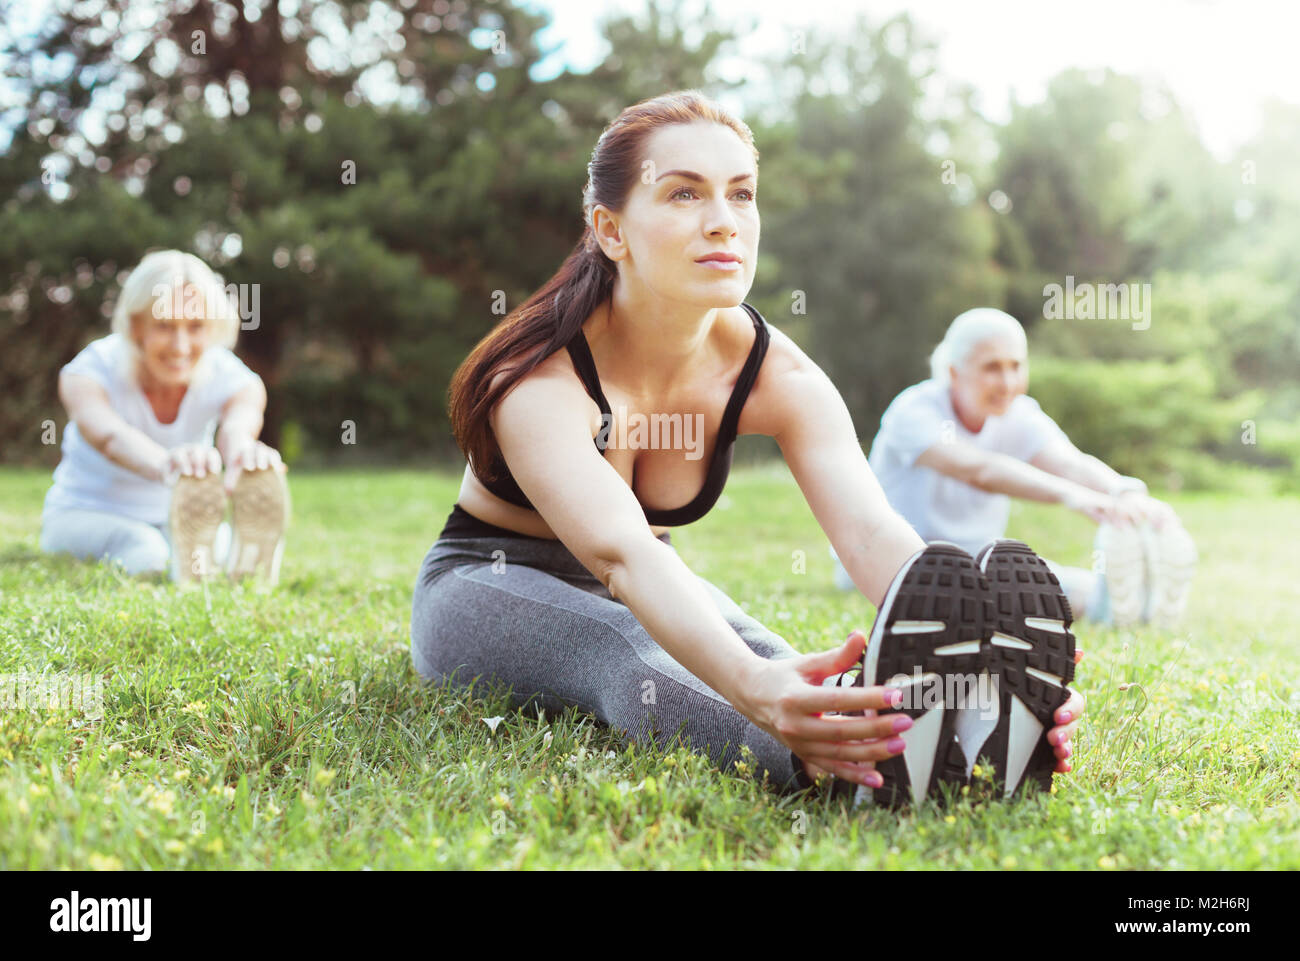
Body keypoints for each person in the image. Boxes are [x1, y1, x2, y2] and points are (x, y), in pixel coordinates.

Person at [411, 91, 1084, 799]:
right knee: (627, 648)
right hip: (486, 581)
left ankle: (939, 725)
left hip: (653, 576)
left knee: (776, 657)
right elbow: (623, 557)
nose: (723, 223)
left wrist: (972, 644)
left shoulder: (777, 372)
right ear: (611, 229)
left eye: (741, 194)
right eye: (683, 194)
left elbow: (869, 531)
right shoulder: (539, 381)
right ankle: (838, 760)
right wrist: (758, 694)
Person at [830, 307, 1197, 628]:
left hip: (978, 562)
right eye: (992, 367)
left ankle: (1132, 605)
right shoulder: (913, 412)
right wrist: (1076, 498)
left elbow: (1069, 462)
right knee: (1004, 593)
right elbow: (979, 470)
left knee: (1071, 586)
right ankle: (1105, 607)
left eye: (1016, 366)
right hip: (895, 560)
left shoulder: (1019, 413)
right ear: (954, 372)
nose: (1007, 382)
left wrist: (1124, 491)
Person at [40, 249, 290, 584]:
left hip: (176, 518)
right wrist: (170, 465)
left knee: (213, 543)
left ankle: (234, 559)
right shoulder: (90, 370)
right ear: (136, 326)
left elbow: (237, 423)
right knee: (146, 550)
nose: (180, 346)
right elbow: (108, 436)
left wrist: (245, 454)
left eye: (196, 326)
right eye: (165, 325)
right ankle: (177, 559)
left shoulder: (233, 377)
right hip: (84, 514)